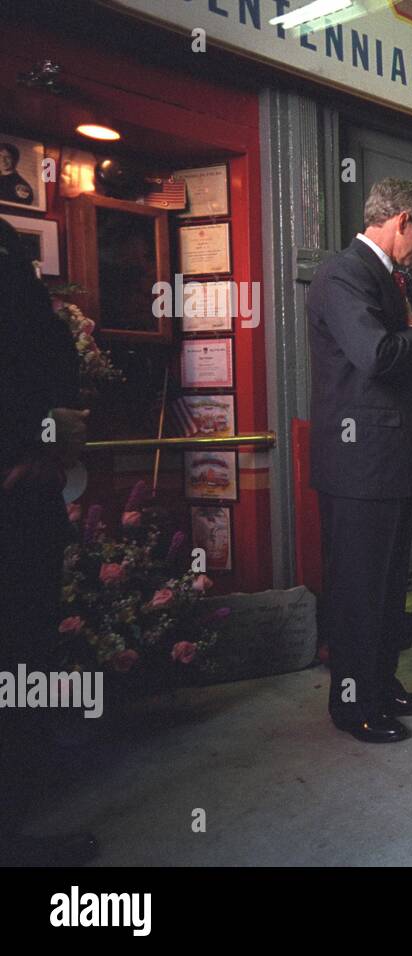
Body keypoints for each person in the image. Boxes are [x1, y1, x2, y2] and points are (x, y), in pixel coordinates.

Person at [307, 177, 412, 744]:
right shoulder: (345, 272)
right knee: (359, 589)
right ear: (402, 220)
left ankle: (382, 686)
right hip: (360, 462)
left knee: (387, 586)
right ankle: (351, 705)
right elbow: (378, 353)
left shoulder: (383, 275)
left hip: (387, 459)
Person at [0, 217, 97, 865]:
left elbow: (43, 349)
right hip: (14, 476)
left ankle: (25, 775)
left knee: (25, 643)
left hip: (27, 480)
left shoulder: (7, 239)